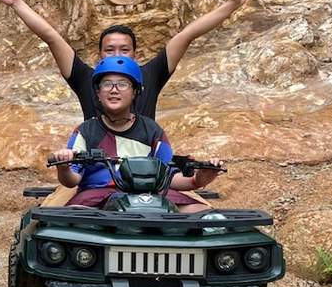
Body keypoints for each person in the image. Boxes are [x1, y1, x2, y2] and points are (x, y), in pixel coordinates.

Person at [0, 0, 253, 120]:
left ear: (136, 55)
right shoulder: (86, 78)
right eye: (109, 50)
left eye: (124, 50)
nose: (116, 55)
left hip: (143, 170)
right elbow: (52, 37)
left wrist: (231, 4)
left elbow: (187, 35)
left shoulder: (151, 74)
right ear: (98, 55)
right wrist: (17, 3)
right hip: (95, 170)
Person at [48, 56, 221, 213]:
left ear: (135, 92)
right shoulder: (85, 131)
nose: (114, 90)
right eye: (107, 84)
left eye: (122, 84)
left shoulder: (152, 130)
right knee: (71, 219)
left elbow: (170, 176)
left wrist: (198, 180)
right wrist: (63, 167)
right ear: (98, 93)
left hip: (150, 195)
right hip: (97, 196)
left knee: (206, 215)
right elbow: (72, 179)